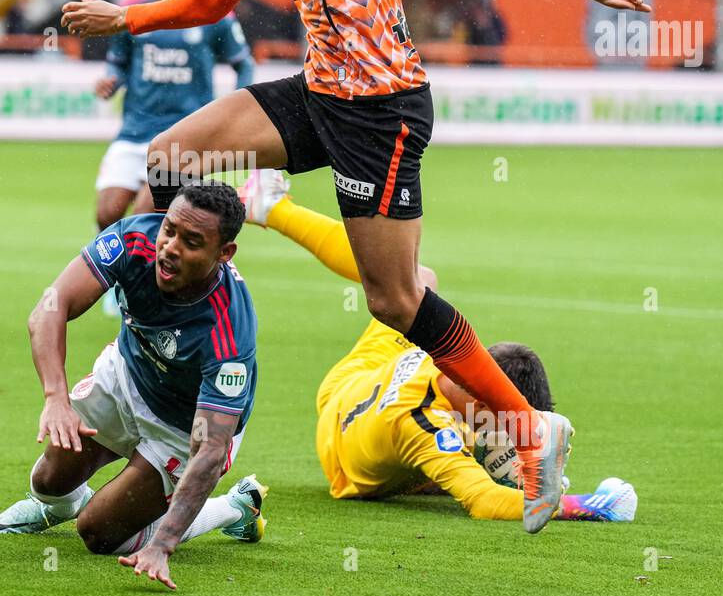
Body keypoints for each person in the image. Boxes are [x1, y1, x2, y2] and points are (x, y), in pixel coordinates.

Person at [62, 0, 651, 532]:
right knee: (171, 155)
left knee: (395, 298)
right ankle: (178, 310)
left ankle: (529, 428)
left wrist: (123, 18)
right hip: (323, 94)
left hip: (380, 114)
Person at [239, 169, 637, 522]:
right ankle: (270, 206)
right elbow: (484, 502)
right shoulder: (428, 428)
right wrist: (589, 504)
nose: (507, 426)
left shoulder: (447, 352)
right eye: (506, 423)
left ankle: (271, 208)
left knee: (417, 284)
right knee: (476, 461)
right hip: (343, 462)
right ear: (480, 404)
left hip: (356, 379)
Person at [0, 183, 264, 591]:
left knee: (98, 534)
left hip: (185, 427)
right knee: (48, 483)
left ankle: (235, 507)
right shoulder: (133, 239)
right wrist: (55, 400)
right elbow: (50, 307)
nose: (169, 247)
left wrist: (164, 544)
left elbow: (210, 449)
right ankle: (63, 505)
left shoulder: (229, 334)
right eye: (169, 230)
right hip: (126, 376)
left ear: (224, 253)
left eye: (191, 242)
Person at [93, 0, 254, 314]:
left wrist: (239, 103)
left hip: (183, 141)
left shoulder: (212, 13)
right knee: (107, 212)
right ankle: (122, 278)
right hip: (134, 133)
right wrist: (111, 78)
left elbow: (243, 62)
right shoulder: (131, 10)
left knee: (146, 214)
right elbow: (118, 59)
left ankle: (138, 291)